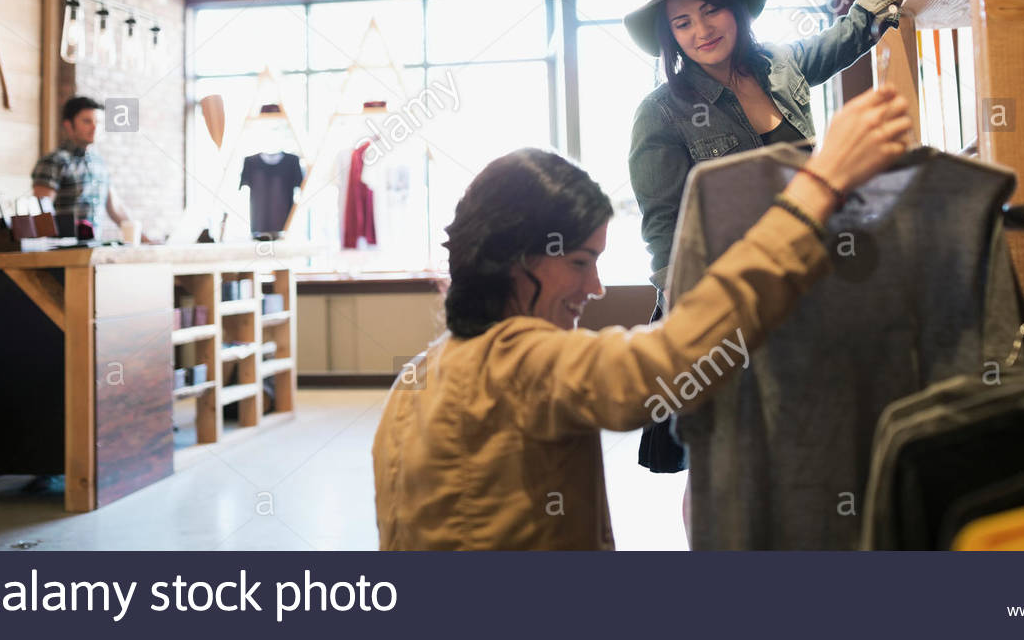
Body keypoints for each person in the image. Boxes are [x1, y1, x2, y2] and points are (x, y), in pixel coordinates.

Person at [372, 85, 913, 550]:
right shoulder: (519, 361)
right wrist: (816, 190)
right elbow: (670, 360)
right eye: (580, 263)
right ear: (516, 258)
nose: (595, 288)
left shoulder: (416, 379)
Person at [623, 0, 937, 471]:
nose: (700, 31)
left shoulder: (780, 66)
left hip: (807, 282)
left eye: (710, 10)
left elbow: (852, 33)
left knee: (805, 443)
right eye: (682, 22)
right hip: (727, 299)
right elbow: (664, 237)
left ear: (734, 9)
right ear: (670, 36)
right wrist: (695, 326)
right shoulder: (659, 112)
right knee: (724, 461)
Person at [31, 95, 152, 241]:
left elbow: (115, 208)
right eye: (87, 121)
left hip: (92, 252)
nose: (95, 127)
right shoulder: (54, 161)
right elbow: (41, 210)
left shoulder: (99, 162)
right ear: (69, 125)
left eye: (98, 122)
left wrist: (146, 239)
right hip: (61, 254)